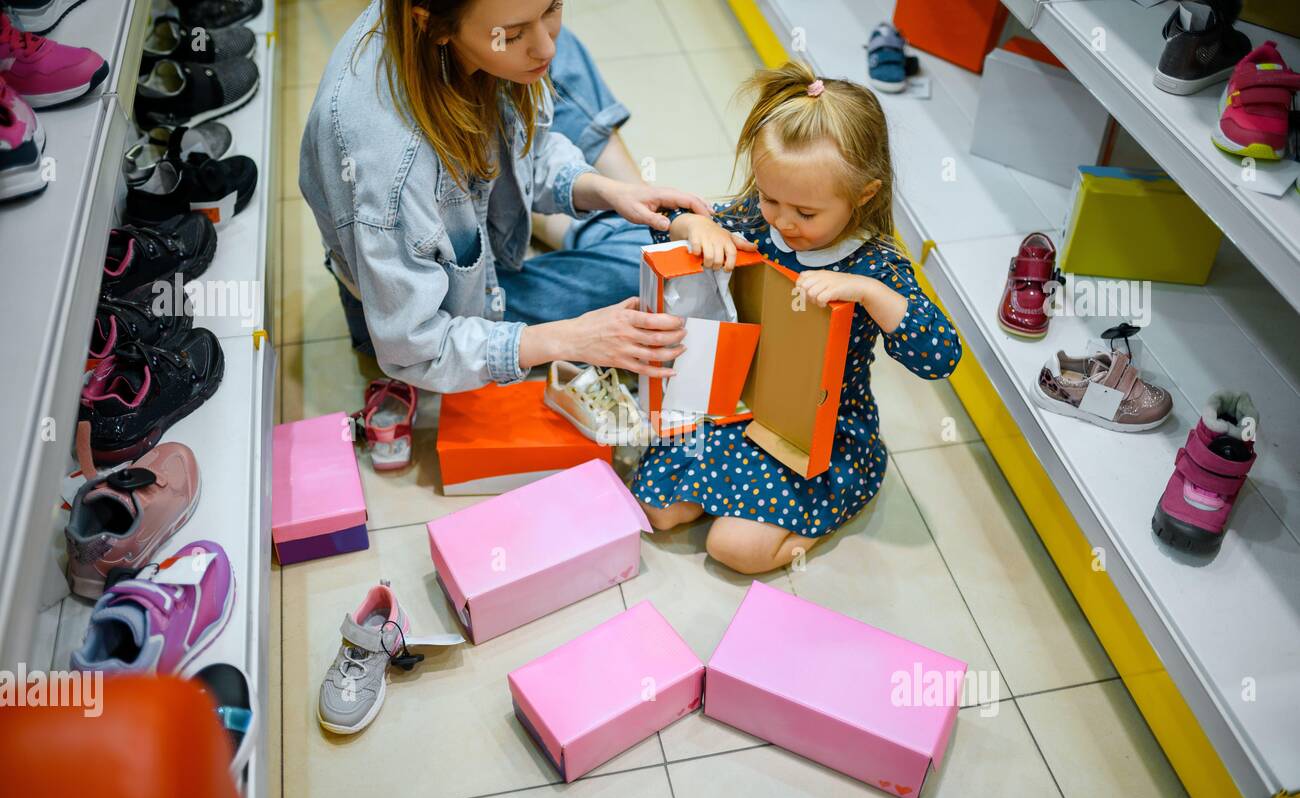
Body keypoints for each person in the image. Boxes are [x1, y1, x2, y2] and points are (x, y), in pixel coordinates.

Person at [632, 62, 963, 575]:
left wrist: (871, 294)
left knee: (733, 549)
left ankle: (807, 525)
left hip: (816, 433)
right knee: (657, 509)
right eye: (769, 198)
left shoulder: (876, 264)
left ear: (864, 194)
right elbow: (672, 234)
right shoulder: (759, 220)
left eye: (806, 214)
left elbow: (941, 354)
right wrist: (694, 225)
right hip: (740, 407)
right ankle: (744, 504)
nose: (784, 221)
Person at [299, 0, 712, 392]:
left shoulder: (477, 32)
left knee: (564, 58)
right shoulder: (388, 163)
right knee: (646, 276)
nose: (546, 43)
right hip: (431, 324)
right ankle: (578, 230)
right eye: (512, 34)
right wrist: (568, 339)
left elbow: (525, 143)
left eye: (553, 6)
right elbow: (416, 347)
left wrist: (607, 190)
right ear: (432, 24)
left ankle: (587, 221)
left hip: (475, 232)